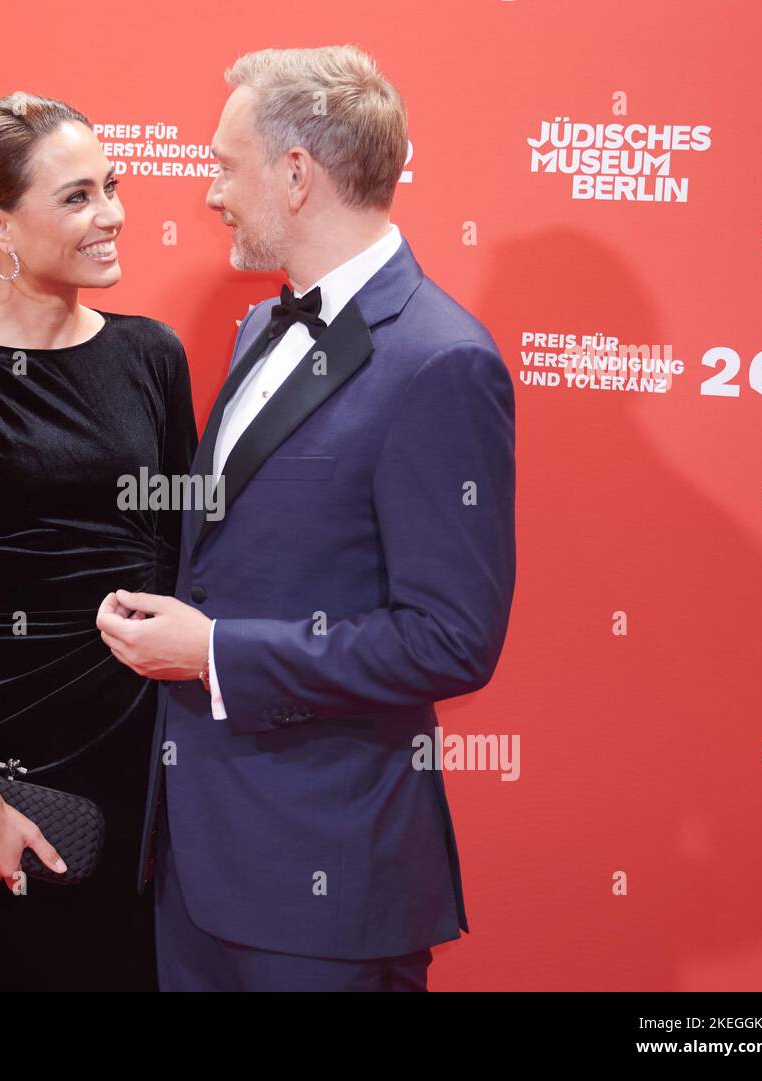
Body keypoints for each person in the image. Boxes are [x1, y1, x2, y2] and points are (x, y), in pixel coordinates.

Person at [97, 45, 517, 991]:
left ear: (296, 174)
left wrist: (216, 652)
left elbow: (453, 640)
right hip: (195, 865)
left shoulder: (443, 362)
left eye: (223, 165)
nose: (209, 192)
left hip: (325, 892)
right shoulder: (260, 325)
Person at [0, 91, 197, 991]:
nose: (114, 214)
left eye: (113, 186)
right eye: (78, 196)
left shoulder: (152, 355)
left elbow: (182, 551)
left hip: (130, 751)